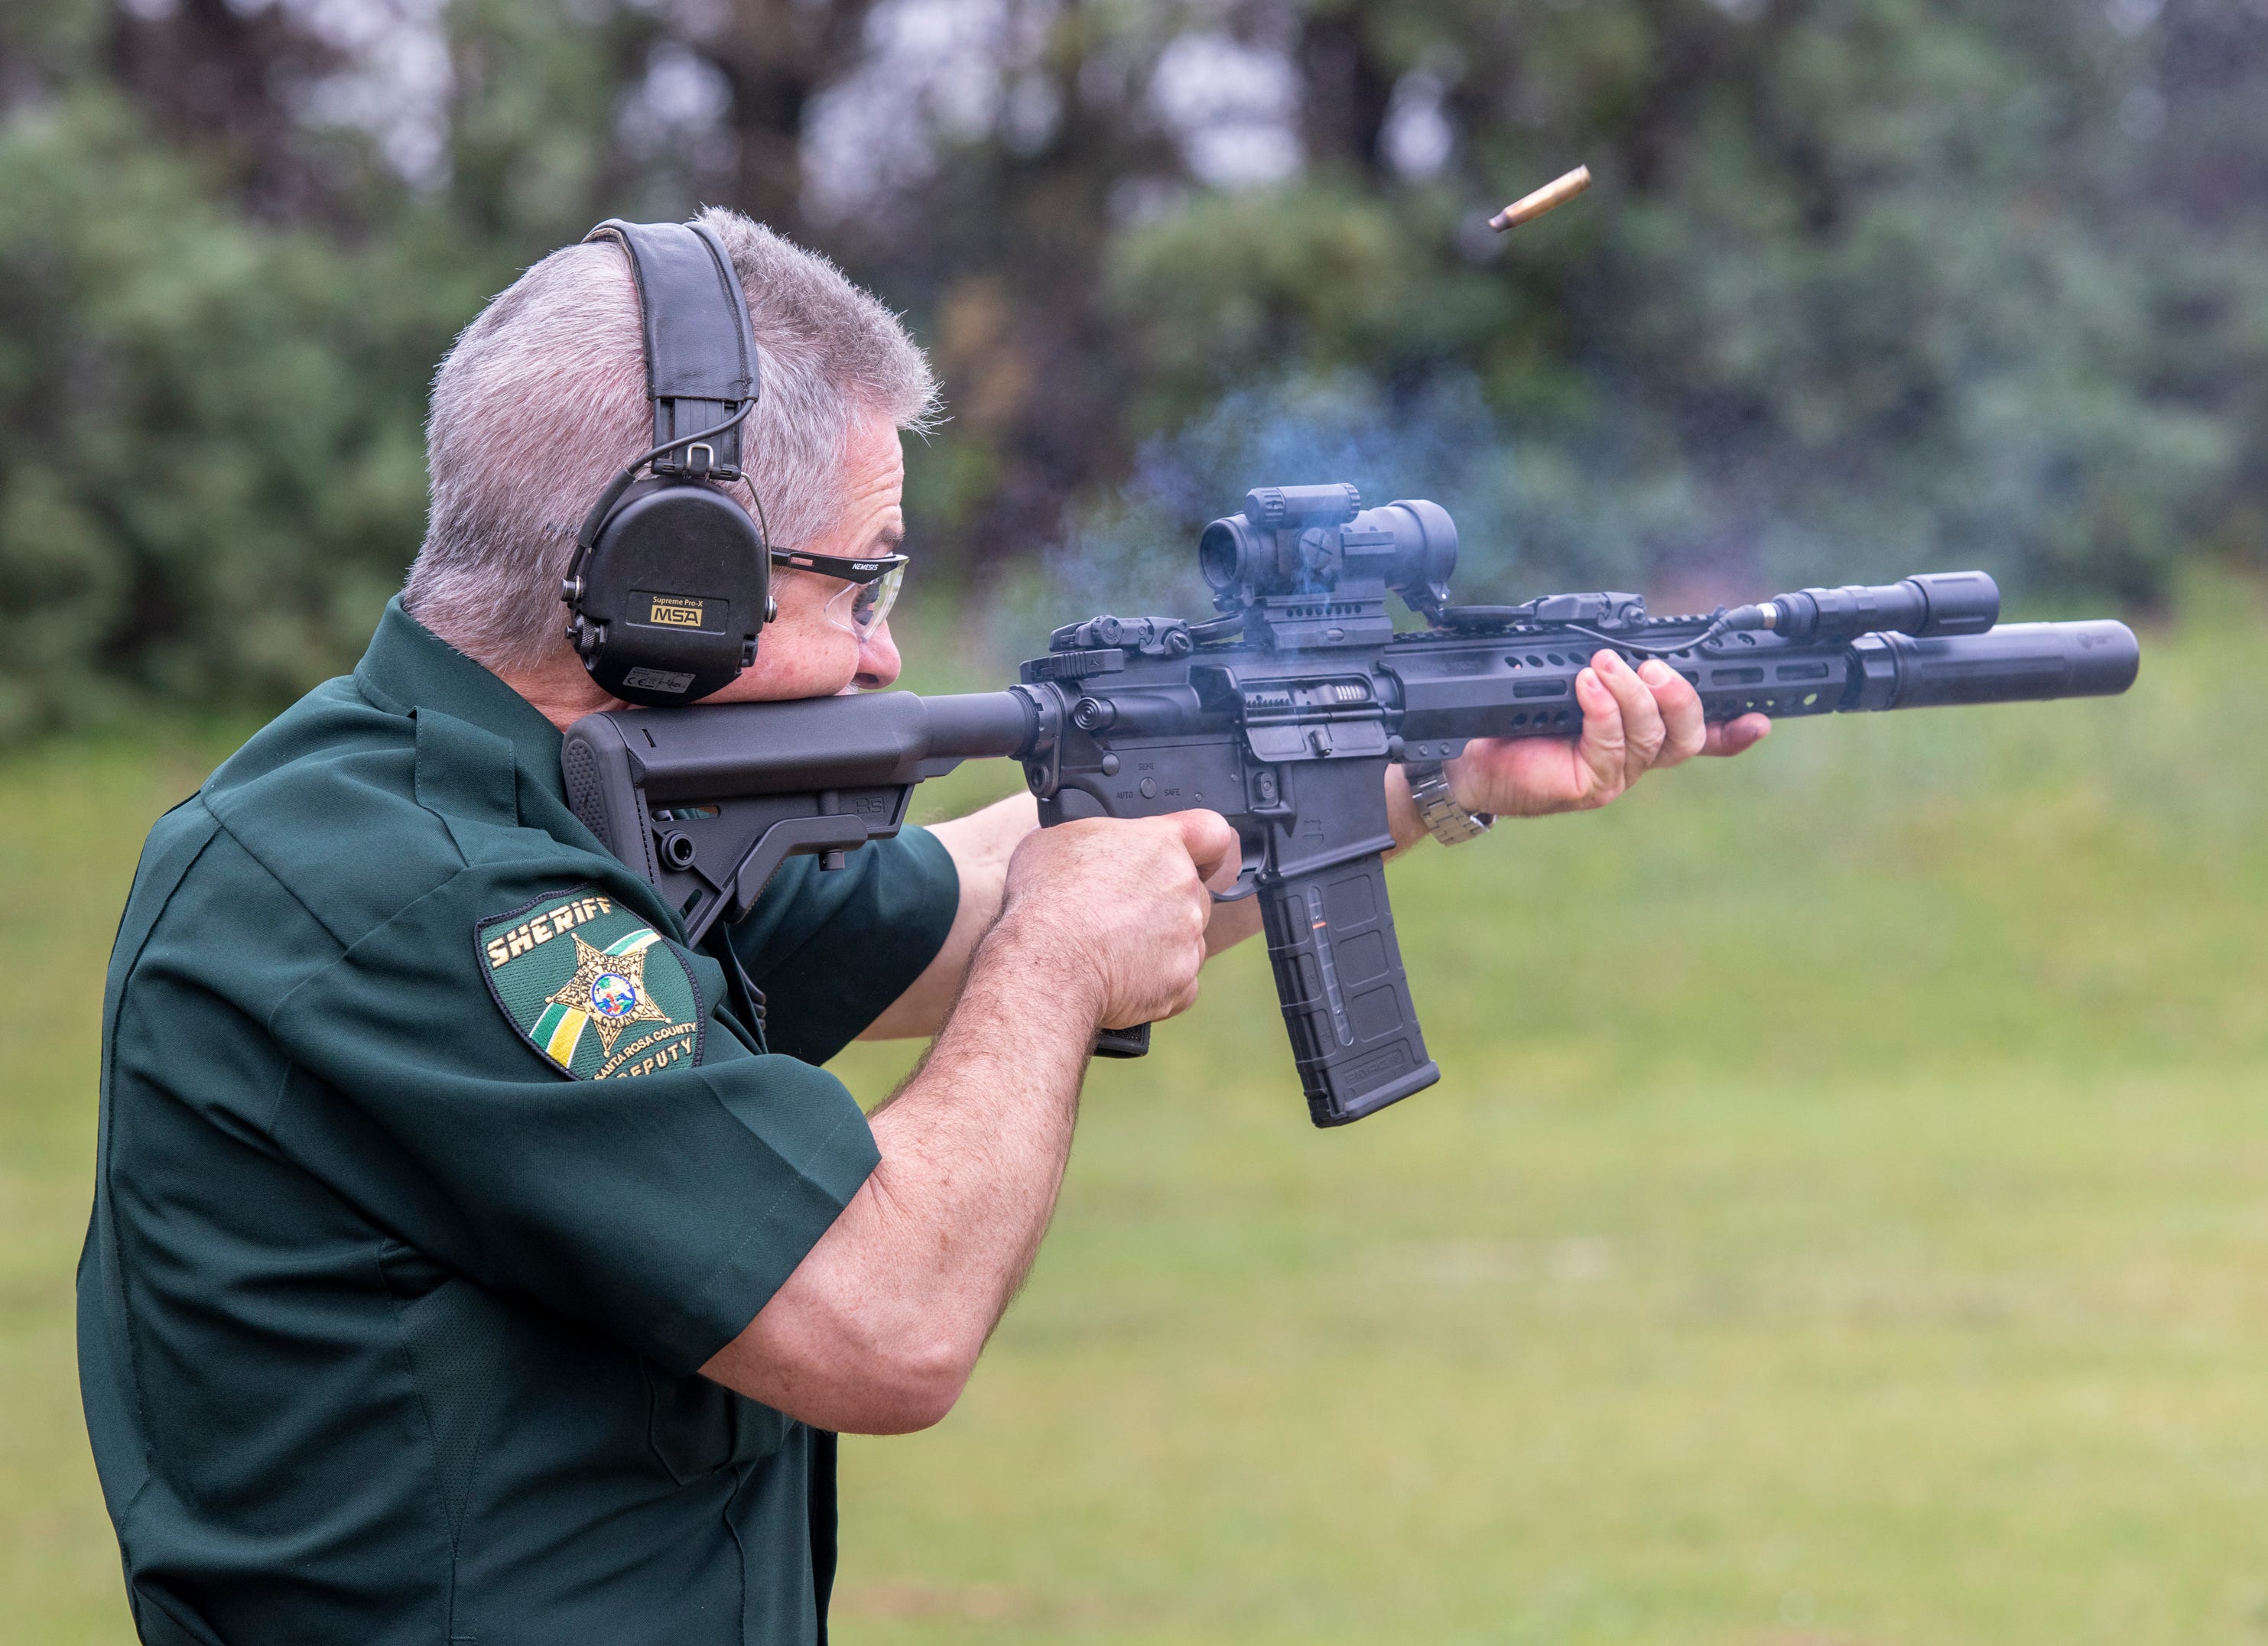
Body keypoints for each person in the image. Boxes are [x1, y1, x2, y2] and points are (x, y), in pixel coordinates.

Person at [77, 207, 1769, 1646]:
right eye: (858, 582)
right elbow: (888, 1322)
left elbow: (948, 896)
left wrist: (1419, 769)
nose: (889, 652)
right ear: (680, 571)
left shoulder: (516, 812)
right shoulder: (417, 895)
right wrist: (1057, 964)